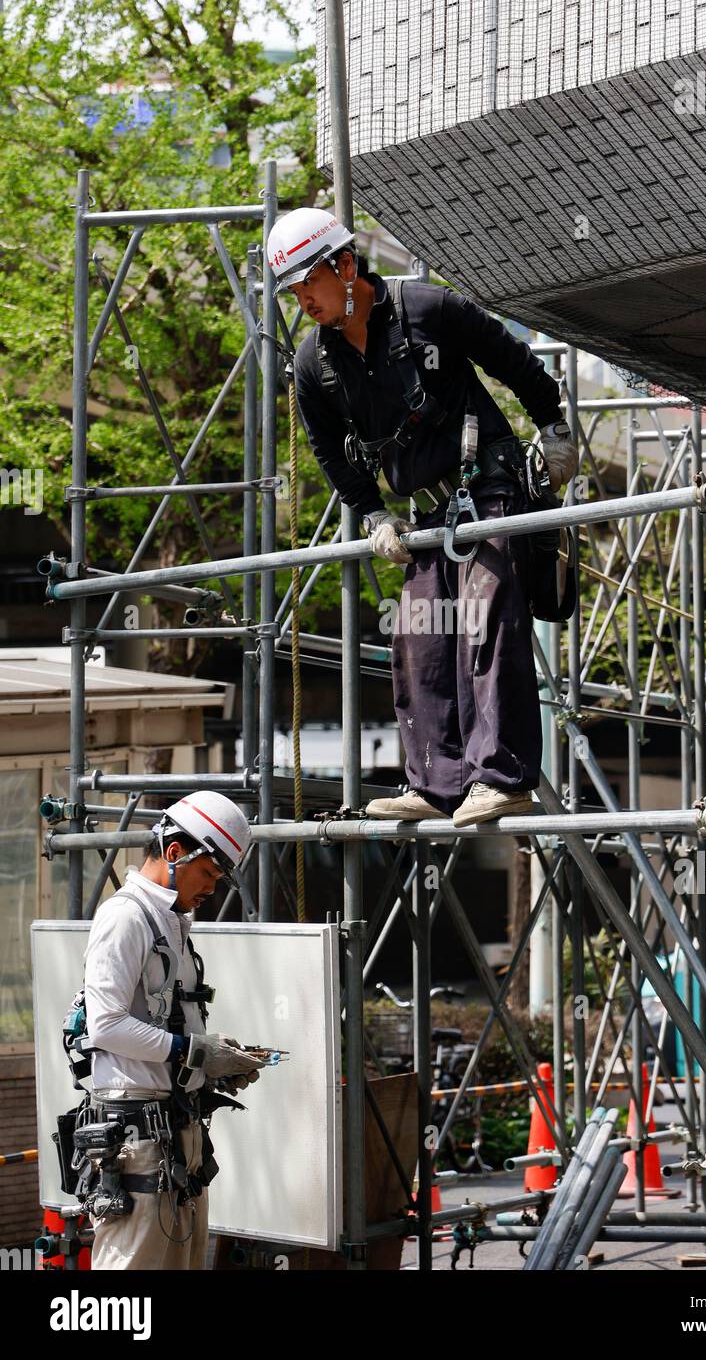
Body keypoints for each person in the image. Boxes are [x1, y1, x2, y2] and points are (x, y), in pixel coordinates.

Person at [267, 208, 579, 826]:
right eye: (293, 292)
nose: (304, 301)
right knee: (420, 640)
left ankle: (503, 778)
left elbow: (512, 359)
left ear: (346, 266)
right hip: (426, 516)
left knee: (487, 622)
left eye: (309, 283)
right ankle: (437, 785)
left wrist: (554, 429)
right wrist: (372, 513)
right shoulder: (313, 363)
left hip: (488, 488)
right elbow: (328, 451)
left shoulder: (427, 309)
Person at [80, 791, 264, 1269]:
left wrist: (213, 1062)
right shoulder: (125, 917)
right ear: (175, 851)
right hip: (138, 1139)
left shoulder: (171, 920)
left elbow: (164, 1022)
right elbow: (106, 1025)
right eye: (209, 873)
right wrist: (193, 1051)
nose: (212, 889)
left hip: (176, 1132)